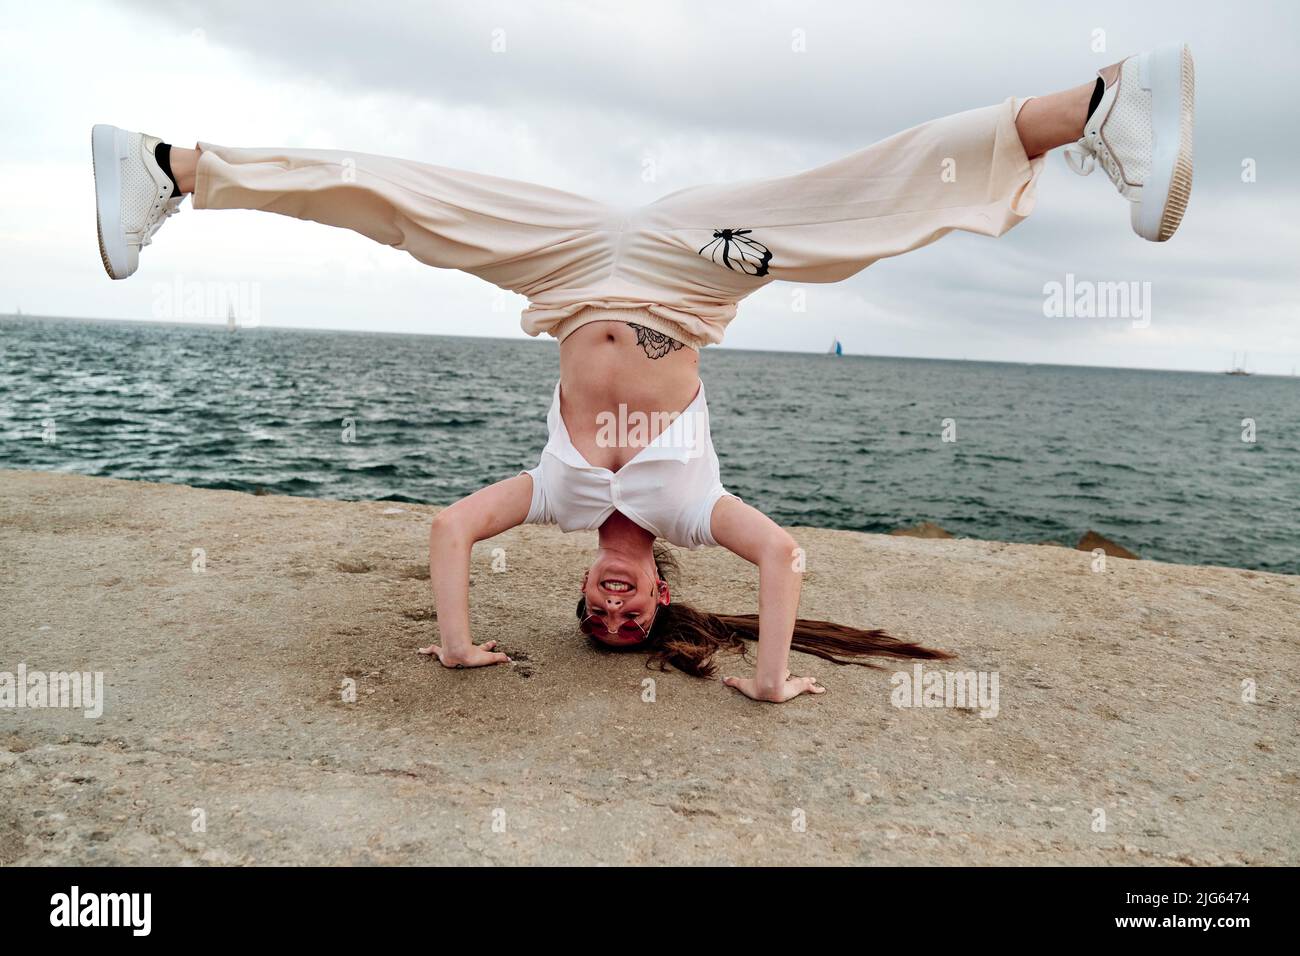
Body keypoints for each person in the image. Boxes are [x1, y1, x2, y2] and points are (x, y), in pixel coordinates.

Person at [91, 43, 1194, 702]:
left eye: (599, 621)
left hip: (567, 265)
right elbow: (785, 557)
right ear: (662, 590)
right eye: (635, 622)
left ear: (584, 588)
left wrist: (463, 642)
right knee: (867, 201)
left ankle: (166, 166)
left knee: (399, 202)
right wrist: (763, 678)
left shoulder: (560, 501)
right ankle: (1100, 104)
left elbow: (444, 533)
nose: (617, 614)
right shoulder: (693, 511)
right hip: (687, 268)